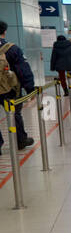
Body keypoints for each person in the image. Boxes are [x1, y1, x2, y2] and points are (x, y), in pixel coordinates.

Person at [0, 21, 36, 151]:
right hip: (10, 89)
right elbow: (23, 70)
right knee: (14, 113)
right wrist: (30, 89)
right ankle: (20, 140)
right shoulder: (11, 49)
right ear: (4, 31)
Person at [49, 33, 71, 97]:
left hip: (60, 64)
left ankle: (66, 91)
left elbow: (53, 58)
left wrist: (52, 67)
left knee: (62, 78)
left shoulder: (56, 47)